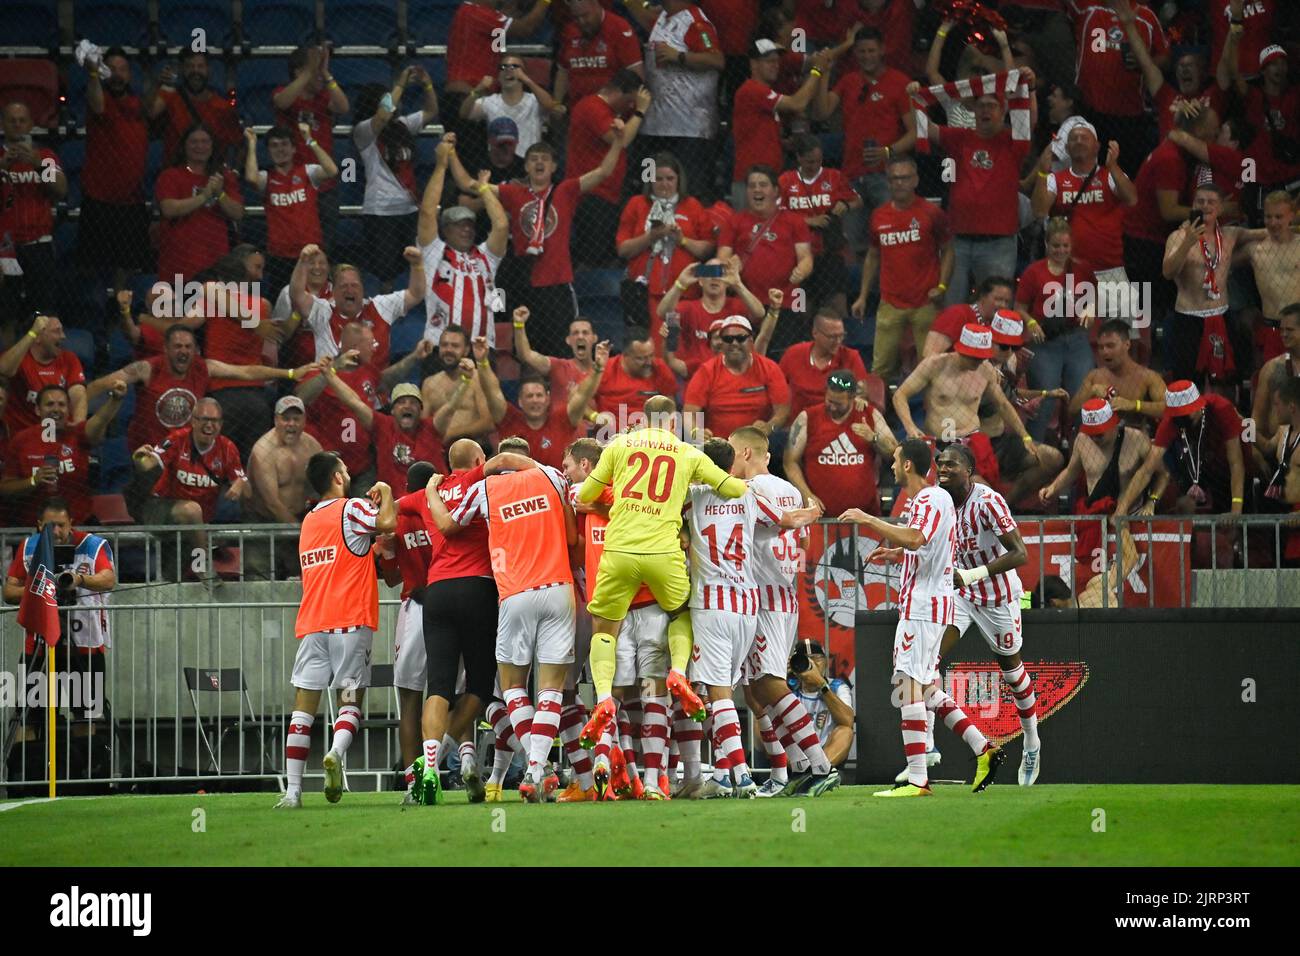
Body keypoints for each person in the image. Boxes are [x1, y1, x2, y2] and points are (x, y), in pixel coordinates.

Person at [575, 396, 748, 748]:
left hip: (620, 550)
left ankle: (605, 697)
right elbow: (733, 488)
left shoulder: (620, 444)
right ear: (672, 423)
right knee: (679, 613)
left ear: (642, 420)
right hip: (663, 553)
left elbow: (587, 492)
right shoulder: (686, 452)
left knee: (604, 628)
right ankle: (678, 673)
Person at [837, 438, 1005, 797]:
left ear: (908, 465)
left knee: (908, 685)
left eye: (896, 461)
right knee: (928, 688)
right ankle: (984, 748)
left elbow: (917, 538)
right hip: (933, 602)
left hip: (923, 606)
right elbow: (926, 547)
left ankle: (917, 779)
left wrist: (868, 519)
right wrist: (897, 555)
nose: (893, 467)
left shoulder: (929, 498)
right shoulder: (932, 500)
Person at [425, 447, 578, 803]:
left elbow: (447, 526)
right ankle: (537, 769)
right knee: (552, 690)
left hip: (514, 595)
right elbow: (571, 537)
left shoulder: (484, 490)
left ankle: (536, 768)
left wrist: (433, 491)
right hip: (558, 588)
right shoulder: (552, 477)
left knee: (511, 688)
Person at [399, 438, 534, 804]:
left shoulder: (431, 492)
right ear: (477, 459)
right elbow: (507, 458)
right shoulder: (479, 478)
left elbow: (389, 510)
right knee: (479, 685)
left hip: (437, 590)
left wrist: (383, 490)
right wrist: (541, 474)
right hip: (479, 588)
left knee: (438, 685)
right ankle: (443, 755)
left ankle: (428, 768)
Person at [680, 436, 812, 798]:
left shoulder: (692, 497)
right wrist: (813, 512)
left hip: (712, 607)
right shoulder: (748, 495)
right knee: (735, 691)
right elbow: (788, 521)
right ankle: (727, 772)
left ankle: (739, 776)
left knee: (718, 694)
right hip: (748, 608)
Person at [277, 452, 396, 808]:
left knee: (302, 709)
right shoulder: (351, 508)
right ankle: (335, 753)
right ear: (337, 478)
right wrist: (387, 492)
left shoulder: (309, 521)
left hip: (314, 623)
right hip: (350, 621)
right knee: (350, 701)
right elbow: (387, 523)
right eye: (345, 469)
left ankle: (293, 792)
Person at [728, 427, 832, 797]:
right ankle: (788, 770)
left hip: (765, 596)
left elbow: (788, 525)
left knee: (768, 683)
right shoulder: (791, 490)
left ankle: (818, 765)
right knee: (755, 690)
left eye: (730, 454)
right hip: (782, 595)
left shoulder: (754, 490)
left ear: (744, 453)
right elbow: (802, 539)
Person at [931, 444, 1039, 786]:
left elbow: (1020, 553)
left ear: (968, 470)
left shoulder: (987, 500)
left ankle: (1032, 742)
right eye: (939, 463)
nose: (942, 467)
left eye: (951, 463)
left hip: (998, 598)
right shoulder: (939, 500)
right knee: (926, 661)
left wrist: (974, 574)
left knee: (1012, 673)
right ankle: (927, 747)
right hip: (960, 596)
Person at [457, 139, 626, 353]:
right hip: (524, 285)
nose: (539, 163)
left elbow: (603, 172)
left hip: (557, 284)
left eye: (545, 159)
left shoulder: (566, 190)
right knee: (527, 350)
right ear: (526, 166)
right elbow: (466, 184)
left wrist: (617, 142)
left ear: (554, 166)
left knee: (563, 350)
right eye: (533, 159)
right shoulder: (513, 192)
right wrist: (450, 153)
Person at [88, 324, 312, 456]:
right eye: (177, 346)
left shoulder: (203, 367)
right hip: (147, 453)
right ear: (166, 349)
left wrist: (291, 373)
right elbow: (100, 384)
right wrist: (77, 411)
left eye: (188, 347)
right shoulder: (147, 368)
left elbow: (247, 372)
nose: (183, 351)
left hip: (186, 454)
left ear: (195, 350)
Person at [2, 498, 117, 742]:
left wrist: (78, 579)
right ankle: (29, 773)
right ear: (39, 524)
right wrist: (40, 589)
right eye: (49, 526)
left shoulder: (92, 545)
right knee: (30, 718)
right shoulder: (29, 547)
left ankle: (84, 774)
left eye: (62, 525)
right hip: (40, 647)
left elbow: (108, 579)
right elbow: (9, 592)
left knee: (85, 717)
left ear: (71, 523)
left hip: (85, 645)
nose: (56, 532)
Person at [918, 79, 1037, 305]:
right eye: (981, 105)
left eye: (991, 105)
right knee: (952, 305)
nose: (985, 110)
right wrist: (913, 98)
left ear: (1003, 112)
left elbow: (1028, 120)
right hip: (959, 242)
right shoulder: (960, 137)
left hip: (998, 244)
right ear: (973, 110)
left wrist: (1029, 90)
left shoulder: (1014, 142)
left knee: (996, 308)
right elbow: (926, 128)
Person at [894, 324, 1045, 498]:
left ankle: (1003, 510)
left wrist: (1025, 436)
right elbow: (900, 395)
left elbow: (1003, 405)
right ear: (961, 351)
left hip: (973, 443)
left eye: (982, 358)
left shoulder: (985, 369)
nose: (978, 363)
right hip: (941, 444)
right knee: (980, 491)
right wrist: (910, 427)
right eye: (974, 358)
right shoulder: (934, 365)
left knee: (1045, 460)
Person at [812, 28, 916, 252]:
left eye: (871, 50)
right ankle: (860, 286)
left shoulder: (899, 82)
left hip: (887, 176)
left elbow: (916, 132)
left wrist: (887, 151)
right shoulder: (849, 81)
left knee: (891, 239)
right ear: (855, 54)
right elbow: (821, 112)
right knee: (854, 242)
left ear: (882, 51)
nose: (867, 56)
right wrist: (825, 75)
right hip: (852, 175)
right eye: (861, 51)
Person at [294, 323, 433, 489]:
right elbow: (300, 396)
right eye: (371, 344)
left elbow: (383, 381)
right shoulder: (323, 370)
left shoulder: (366, 369)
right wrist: (333, 369)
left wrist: (414, 356)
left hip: (363, 467)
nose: (375, 348)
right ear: (355, 348)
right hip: (329, 469)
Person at [1030, 123, 1138, 329]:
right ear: (1067, 148)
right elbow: (1039, 211)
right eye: (1073, 138)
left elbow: (1132, 198)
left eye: (1084, 137)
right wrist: (1042, 174)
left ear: (1097, 146)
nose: (1078, 141)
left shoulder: (1110, 175)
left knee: (1120, 335)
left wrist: (1113, 166)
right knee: (1076, 336)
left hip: (1110, 270)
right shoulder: (1055, 179)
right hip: (1071, 274)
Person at [854, 154, 951, 382]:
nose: (899, 183)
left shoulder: (932, 213)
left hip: (926, 302)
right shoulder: (879, 216)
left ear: (916, 180)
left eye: (905, 178)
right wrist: (862, 296)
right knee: (880, 371)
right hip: (890, 302)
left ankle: (934, 418)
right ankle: (878, 417)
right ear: (888, 182)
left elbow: (948, 250)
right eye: (894, 178)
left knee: (933, 369)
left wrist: (942, 285)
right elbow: (872, 255)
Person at [131, 397, 249, 582]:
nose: (209, 425)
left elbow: (245, 486)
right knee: (192, 509)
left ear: (221, 424)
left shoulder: (227, 448)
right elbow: (146, 464)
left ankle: (167, 595)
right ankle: (204, 569)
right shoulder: (176, 440)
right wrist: (138, 458)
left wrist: (241, 483)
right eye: (204, 419)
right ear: (193, 421)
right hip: (160, 510)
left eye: (215, 421)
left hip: (195, 527)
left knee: (170, 580)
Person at [375, 460, 437, 802]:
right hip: (449, 605)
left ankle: (414, 785)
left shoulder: (395, 519)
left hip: (415, 608)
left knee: (409, 700)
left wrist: (386, 554)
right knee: (449, 696)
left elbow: (392, 578)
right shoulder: (442, 511)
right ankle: (452, 765)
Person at [625, 0, 725, 204]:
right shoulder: (662, 17)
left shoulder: (696, 22)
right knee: (647, 184)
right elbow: (641, 13)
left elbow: (717, 60)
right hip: (654, 125)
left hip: (689, 129)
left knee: (690, 190)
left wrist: (678, 56)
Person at [1162, 183, 1263, 385]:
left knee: (1226, 381)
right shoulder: (1177, 237)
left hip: (1222, 315)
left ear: (1220, 208)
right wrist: (1187, 243)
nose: (1205, 206)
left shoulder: (1230, 235)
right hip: (1189, 318)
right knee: (1188, 383)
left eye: (1211, 202)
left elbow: (1268, 232)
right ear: (1193, 206)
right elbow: (1168, 272)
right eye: (1200, 201)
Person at [351, 69, 439, 291]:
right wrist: (400, 84)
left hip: (408, 208)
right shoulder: (364, 132)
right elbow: (382, 116)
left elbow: (431, 111)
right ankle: (386, 315)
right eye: (384, 101)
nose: (391, 105)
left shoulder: (403, 126)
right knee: (386, 272)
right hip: (381, 211)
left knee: (417, 263)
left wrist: (427, 85)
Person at [418, 133, 509, 347]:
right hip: (441, 348)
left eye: (470, 225)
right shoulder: (434, 252)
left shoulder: (485, 256)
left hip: (482, 349)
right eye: (460, 225)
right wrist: (441, 166)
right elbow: (427, 213)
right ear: (446, 230)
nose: (467, 229)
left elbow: (502, 225)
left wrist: (484, 189)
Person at [1014, 218, 1098, 442]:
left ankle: (1082, 449)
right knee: (1044, 398)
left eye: (1065, 246)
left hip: (1076, 339)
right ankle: (1035, 451)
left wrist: (1090, 308)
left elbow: (1093, 298)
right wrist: (1030, 323)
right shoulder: (1034, 272)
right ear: (1046, 244)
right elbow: (1020, 307)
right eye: (1056, 246)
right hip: (1045, 342)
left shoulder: (1082, 270)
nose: (1061, 250)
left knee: (1081, 398)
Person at [617, 151, 716, 340]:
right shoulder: (637, 204)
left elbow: (708, 249)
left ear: (679, 180)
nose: (665, 184)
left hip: (684, 294)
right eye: (659, 179)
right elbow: (623, 249)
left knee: (677, 347)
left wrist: (682, 240)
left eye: (670, 178)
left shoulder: (692, 205)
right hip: (645, 293)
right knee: (654, 347)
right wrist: (651, 236)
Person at [716, 165, 814, 355]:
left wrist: (802, 269)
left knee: (784, 354)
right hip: (746, 302)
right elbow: (722, 258)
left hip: (786, 302)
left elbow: (806, 257)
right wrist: (729, 266)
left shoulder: (794, 221)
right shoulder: (734, 222)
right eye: (752, 186)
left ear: (776, 191)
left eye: (763, 185)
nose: (757, 190)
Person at [1064, 1, 1168, 177]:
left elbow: (1164, 56)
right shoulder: (1087, 7)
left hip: (1130, 116)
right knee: (1088, 174)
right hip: (1090, 111)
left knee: (1125, 174)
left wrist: (1144, 62)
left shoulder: (1147, 18)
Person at [0, 382, 126, 526]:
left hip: (78, 525)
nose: (56, 409)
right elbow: (5, 488)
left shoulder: (78, 434)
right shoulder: (21, 441)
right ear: (37, 410)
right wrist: (34, 480)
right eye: (50, 404)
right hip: (34, 528)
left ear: (68, 410)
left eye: (61, 404)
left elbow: (99, 420)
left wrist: (115, 399)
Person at [76, 46, 151, 287]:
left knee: (127, 264)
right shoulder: (99, 97)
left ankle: (120, 314)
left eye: (123, 69)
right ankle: (92, 315)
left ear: (130, 74)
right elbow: (97, 104)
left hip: (131, 200)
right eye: (113, 69)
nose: (118, 75)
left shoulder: (138, 104)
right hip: (99, 199)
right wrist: (94, 73)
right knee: (92, 264)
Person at [1116, 380, 1246, 518]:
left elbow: (1236, 463)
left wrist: (1236, 509)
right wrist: (1122, 508)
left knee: (1235, 517)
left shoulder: (1221, 408)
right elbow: (1147, 469)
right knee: (1184, 505)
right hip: (1198, 465)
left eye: (1185, 415)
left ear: (1198, 407)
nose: (1182, 421)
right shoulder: (1172, 422)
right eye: (1177, 417)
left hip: (1225, 464)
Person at [289, 242, 427, 371]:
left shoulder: (379, 306)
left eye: (354, 285)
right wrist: (303, 263)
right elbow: (297, 295)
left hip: (374, 390)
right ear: (334, 292)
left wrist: (417, 266)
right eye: (343, 286)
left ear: (363, 289)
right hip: (332, 388)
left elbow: (416, 294)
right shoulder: (323, 310)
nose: (350, 290)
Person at [729, 40, 828, 208]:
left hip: (768, 179)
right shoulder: (752, 90)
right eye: (769, 61)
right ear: (753, 64)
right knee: (751, 232)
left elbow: (756, 135)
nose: (775, 65)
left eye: (777, 61)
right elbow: (798, 103)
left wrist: (781, 144)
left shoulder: (765, 93)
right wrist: (817, 70)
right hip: (752, 183)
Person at [243, 124, 338, 297]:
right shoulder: (267, 178)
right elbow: (251, 177)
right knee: (283, 303)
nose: (280, 149)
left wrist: (310, 139)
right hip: (280, 256)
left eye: (285, 144)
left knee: (317, 301)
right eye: (274, 145)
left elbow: (332, 170)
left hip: (311, 252)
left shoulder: (307, 172)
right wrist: (251, 144)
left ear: (294, 148)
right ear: (269, 151)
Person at [272, 44, 350, 256]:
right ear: (299, 72)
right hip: (295, 185)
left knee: (326, 246)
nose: (318, 77)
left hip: (324, 183)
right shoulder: (284, 92)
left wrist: (324, 72)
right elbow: (281, 102)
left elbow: (343, 107)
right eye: (314, 70)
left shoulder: (324, 97)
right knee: (298, 244)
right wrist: (308, 71)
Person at [785, 370, 895, 518]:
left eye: (838, 404)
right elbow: (789, 461)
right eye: (829, 401)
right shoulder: (808, 418)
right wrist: (807, 495)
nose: (832, 407)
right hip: (820, 518)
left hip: (865, 519)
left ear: (852, 398)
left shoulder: (869, 415)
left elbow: (894, 452)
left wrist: (874, 438)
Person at [779, 136, 862, 321]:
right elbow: (776, 215)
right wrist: (807, 221)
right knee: (801, 311)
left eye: (818, 160)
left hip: (830, 253)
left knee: (838, 308)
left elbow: (858, 200)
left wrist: (846, 206)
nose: (814, 165)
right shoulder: (786, 181)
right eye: (809, 161)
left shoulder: (834, 177)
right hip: (798, 257)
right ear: (799, 158)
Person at [154, 124, 243, 284]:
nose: (200, 146)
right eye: (194, 142)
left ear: (212, 146)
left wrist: (220, 194)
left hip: (215, 260)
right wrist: (205, 196)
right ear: (185, 146)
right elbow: (169, 209)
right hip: (178, 263)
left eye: (205, 142)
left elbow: (238, 213)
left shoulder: (223, 177)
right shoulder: (171, 175)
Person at [0, 102, 67, 313]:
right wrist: (2, 167)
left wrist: (38, 165)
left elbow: (61, 189)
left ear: (30, 124)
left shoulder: (45, 156)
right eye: (12, 121)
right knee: (6, 315)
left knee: (42, 314)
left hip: (38, 245)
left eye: (22, 121)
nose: (18, 125)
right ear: (3, 124)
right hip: (5, 248)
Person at [246, 396, 322, 578]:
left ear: (304, 421)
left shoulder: (312, 447)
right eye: (286, 419)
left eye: (296, 419)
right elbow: (272, 502)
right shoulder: (263, 450)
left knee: (304, 579)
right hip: (264, 522)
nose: (291, 424)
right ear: (275, 420)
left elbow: (324, 487)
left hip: (299, 520)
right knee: (259, 582)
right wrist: (303, 531)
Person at [683, 315, 790, 440]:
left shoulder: (769, 368)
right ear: (722, 343)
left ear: (751, 341)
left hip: (758, 442)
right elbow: (688, 413)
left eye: (740, 338)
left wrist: (769, 426)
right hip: (718, 445)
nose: (734, 343)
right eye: (728, 339)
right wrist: (696, 432)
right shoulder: (707, 371)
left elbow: (783, 411)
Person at [656, 257, 765, 377]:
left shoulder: (737, 306)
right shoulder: (688, 308)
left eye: (719, 273)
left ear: (727, 281)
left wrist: (737, 284)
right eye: (709, 272)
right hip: (696, 375)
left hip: (733, 374)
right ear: (700, 280)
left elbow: (759, 314)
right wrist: (680, 284)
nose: (714, 278)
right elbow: (663, 314)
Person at [1069, 319, 1168, 431]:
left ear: (1127, 344)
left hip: (1134, 439)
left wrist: (1135, 405)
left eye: (1110, 346)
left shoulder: (1148, 377)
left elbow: (1168, 408)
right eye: (1101, 347)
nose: (1105, 352)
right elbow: (1072, 410)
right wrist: (1091, 391)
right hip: (1099, 439)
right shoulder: (1094, 376)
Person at [0, 313, 88, 434]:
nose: (63, 336)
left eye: (62, 331)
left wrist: (79, 424)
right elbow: (3, 370)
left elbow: (78, 394)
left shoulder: (69, 359)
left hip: (57, 435)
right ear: (38, 337)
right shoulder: (19, 358)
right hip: (22, 437)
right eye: (57, 331)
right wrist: (32, 332)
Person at [147, 50, 241, 162]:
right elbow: (148, 113)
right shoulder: (170, 98)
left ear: (209, 70)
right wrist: (157, 84)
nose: (195, 71)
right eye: (190, 66)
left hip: (211, 175)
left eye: (200, 66)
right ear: (182, 70)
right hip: (176, 173)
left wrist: (233, 173)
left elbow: (240, 144)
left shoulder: (223, 107)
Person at [461, 52, 557, 159]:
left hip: (529, 163)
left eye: (514, 67)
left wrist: (527, 80)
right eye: (503, 67)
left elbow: (550, 105)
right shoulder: (490, 102)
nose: (508, 70)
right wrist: (478, 89)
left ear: (524, 73)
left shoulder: (534, 100)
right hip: (500, 164)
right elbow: (464, 113)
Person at [511, 309, 602, 417]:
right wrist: (519, 325)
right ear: (568, 340)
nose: (580, 337)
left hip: (597, 431)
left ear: (594, 338)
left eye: (585, 333)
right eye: (575, 333)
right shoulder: (558, 367)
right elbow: (525, 354)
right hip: (562, 432)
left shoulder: (604, 372)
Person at [779, 312, 870, 419]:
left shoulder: (850, 357)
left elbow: (860, 392)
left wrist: (854, 394)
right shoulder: (793, 354)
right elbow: (778, 388)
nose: (838, 341)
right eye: (832, 337)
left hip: (834, 422)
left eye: (841, 335)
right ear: (815, 333)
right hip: (796, 422)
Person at [1246, 195, 1300, 376]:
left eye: (1279, 217)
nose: (1273, 222)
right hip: (1271, 327)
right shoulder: (1255, 249)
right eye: (1268, 217)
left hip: (1299, 327)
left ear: (1291, 215)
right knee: (1272, 384)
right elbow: (1224, 239)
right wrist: (1258, 233)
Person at [554, 0, 645, 107]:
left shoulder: (619, 28)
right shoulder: (570, 31)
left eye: (585, 15)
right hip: (577, 108)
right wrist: (557, 104)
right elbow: (563, 72)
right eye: (576, 17)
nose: (581, 21)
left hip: (612, 111)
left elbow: (636, 76)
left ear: (596, 5)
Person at [581, 327, 678, 425]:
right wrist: (595, 417)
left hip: (648, 436)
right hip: (612, 437)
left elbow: (670, 410)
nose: (649, 362)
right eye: (641, 358)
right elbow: (577, 399)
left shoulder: (660, 368)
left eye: (651, 355)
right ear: (625, 355)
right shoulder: (605, 370)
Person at [787, 641, 856, 769]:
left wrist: (821, 685)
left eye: (816, 658)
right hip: (795, 755)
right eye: (806, 660)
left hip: (827, 753)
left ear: (825, 662)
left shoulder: (837, 686)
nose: (812, 664)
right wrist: (779, 678)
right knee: (766, 724)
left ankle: (818, 770)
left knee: (846, 731)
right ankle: (806, 771)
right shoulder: (788, 687)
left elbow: (848, 721)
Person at [923, 275, 1014, 357]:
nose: (1003, 306)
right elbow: (930, 355)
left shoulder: (992, 326)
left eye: (1007, 302)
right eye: (998, 299)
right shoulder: (957, 314)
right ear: (982, 296)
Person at [1254, 305, 1300, 448]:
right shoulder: (1270, 369)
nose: (1284, 334)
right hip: (1274, 448)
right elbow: (1255, 421)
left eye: (1290, 330)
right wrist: (1253, 450)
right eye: (1282, 330)